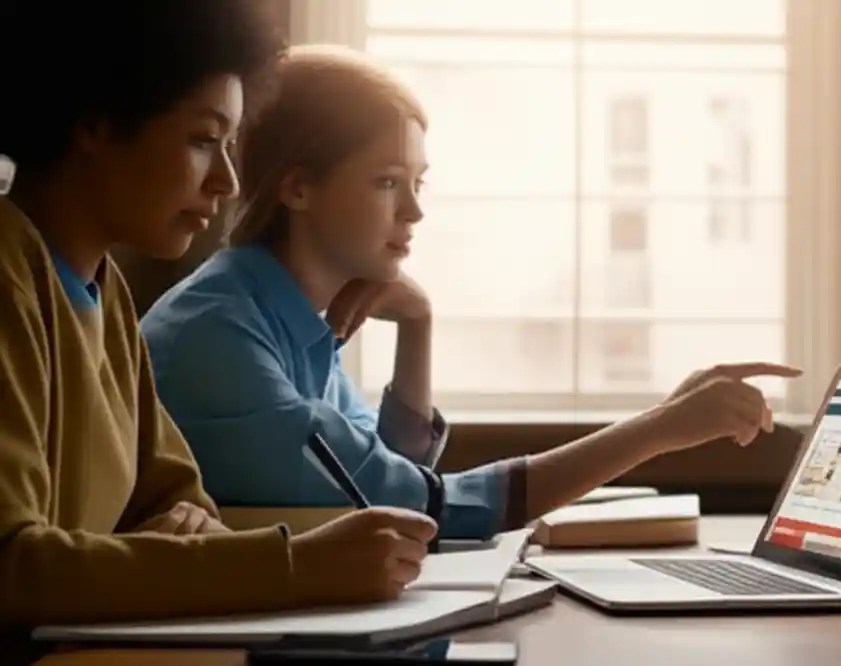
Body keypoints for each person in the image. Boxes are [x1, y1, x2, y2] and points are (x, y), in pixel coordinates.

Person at [140, 45, 801, 538]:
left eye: (418, 183)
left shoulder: (281, 317)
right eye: (387, 182)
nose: (414, 212)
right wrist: (660, 429)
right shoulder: (222, 337)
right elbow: (428, 507)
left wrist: (418, 325)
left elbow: (384, 471)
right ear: (298, 187)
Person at [0, 2, 441, 663]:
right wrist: (295, 568)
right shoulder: (10, 280)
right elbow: (13, 564)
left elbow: (179, 500)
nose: (227, 181)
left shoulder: (103, 292)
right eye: (204, 140)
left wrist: (170, 542)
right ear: (96, 123)